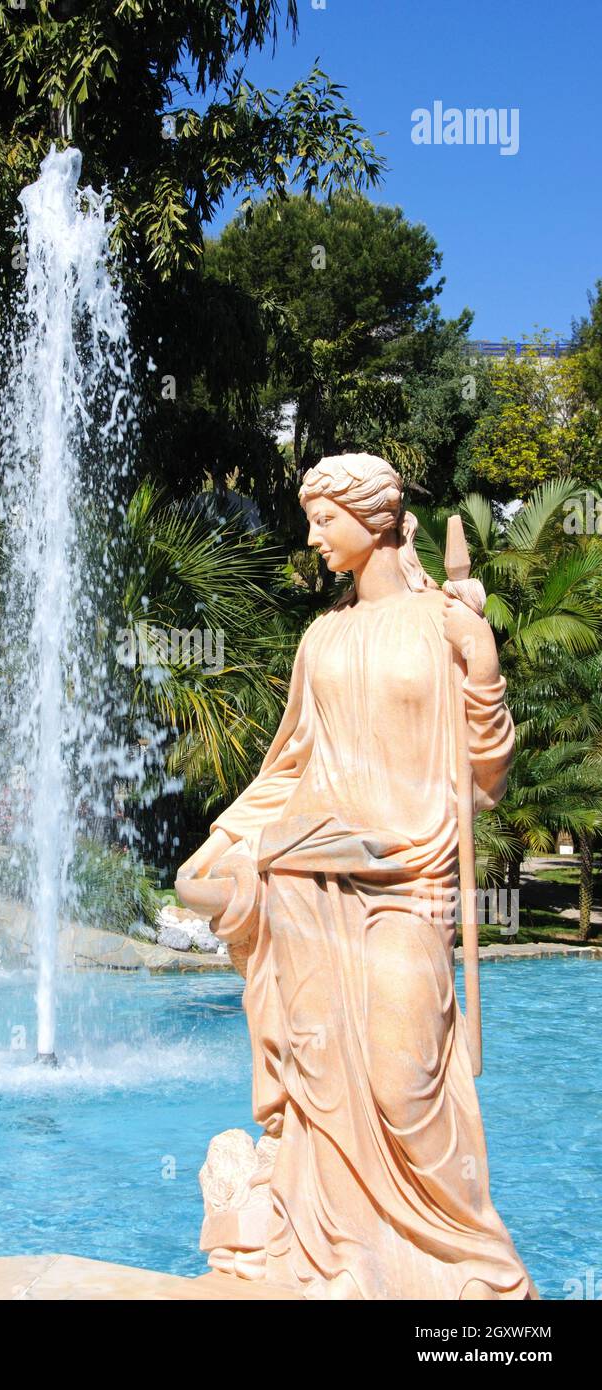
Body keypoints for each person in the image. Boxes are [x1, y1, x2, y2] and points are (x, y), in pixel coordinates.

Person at [177, 453, 536, 1300]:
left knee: (402, 1080)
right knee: (320, 1078)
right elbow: (290, 768)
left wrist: (479, 666)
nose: (311, 536)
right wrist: (227, 844)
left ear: (373, 519)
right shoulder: (321, 637)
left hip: (410, 883)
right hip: (310, 878)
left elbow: (482, 783)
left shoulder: (441, 624)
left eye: (323, 518)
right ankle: (340, 1258)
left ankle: (475, 1265)